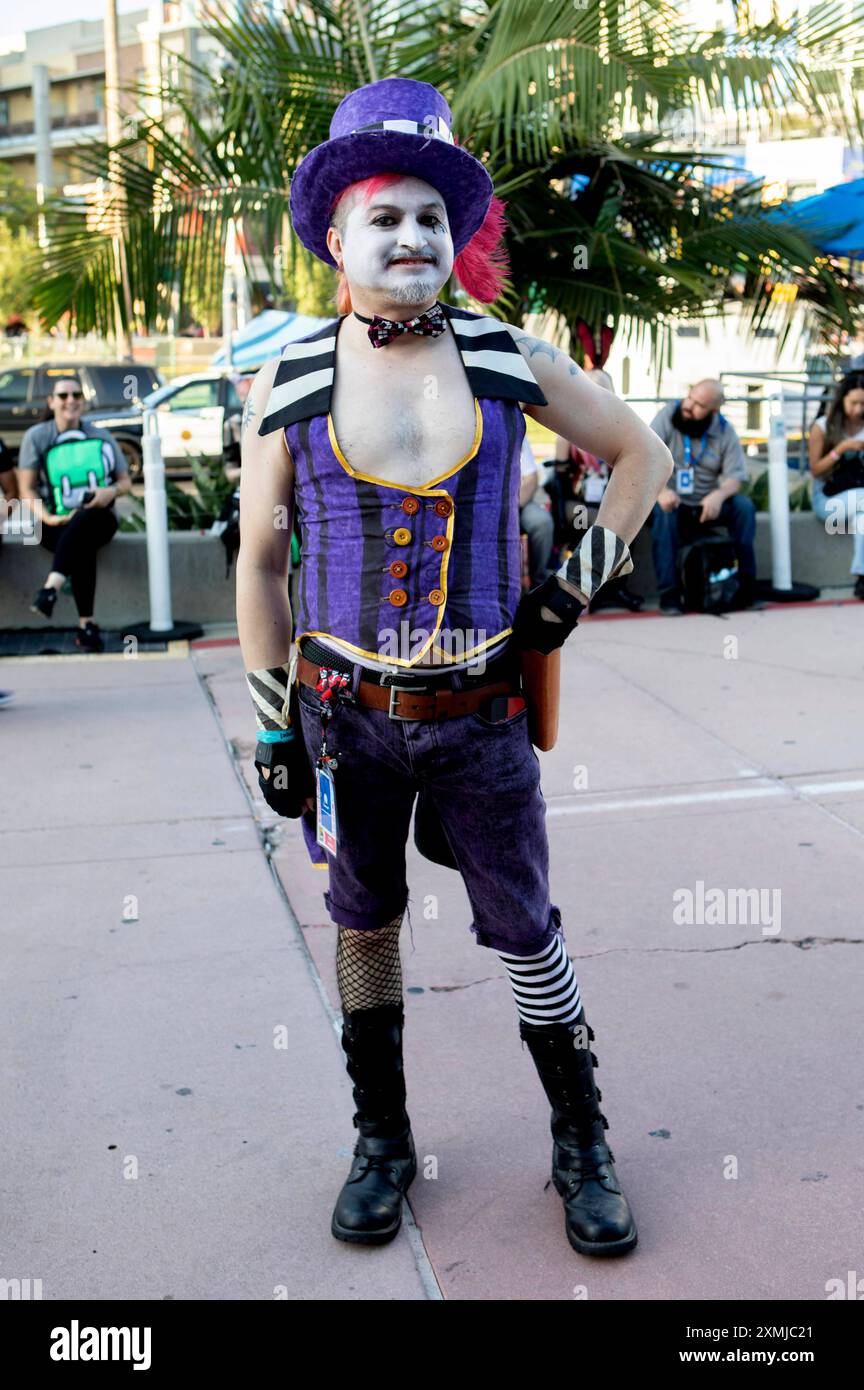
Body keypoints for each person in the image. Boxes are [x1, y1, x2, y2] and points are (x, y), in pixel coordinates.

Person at [236, 77, 672, 1258]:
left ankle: (580, 1138)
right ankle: (383, 1141)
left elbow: (644, 452)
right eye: (386, 216)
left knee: (527, 929)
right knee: (363, 922)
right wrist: (274, 726)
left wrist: (566, 595)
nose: (413, 235)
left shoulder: (505, 355)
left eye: (433, 215)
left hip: (482, 709)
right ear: (337, 234)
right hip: (343, 718)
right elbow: (261, 566)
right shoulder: (289, 377)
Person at [17, 376, 132, 652]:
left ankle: (51, 588)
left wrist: (110, 492)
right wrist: (48, 517)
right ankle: (86, 626)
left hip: (99, 517)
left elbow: (125, 482)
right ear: (51, 402)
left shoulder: (100, 436)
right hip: (52, 522)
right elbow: (26, 490)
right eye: (64, 395)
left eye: (76, 395)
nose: (71, 400)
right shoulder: (37, 437)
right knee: (82, 542)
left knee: (86, 519)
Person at [649, 379, 757, 614]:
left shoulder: (724, 431)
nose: (688, 406)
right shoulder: (668, 415)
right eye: (690, 397)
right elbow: (644, 457)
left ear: (713, 411)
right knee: (662, 514)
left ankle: (745, 588)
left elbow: (735, 477)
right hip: (672, 501)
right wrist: (661, 491)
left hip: (707, 505)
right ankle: (669, 595)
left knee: (744, 507)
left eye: (698, 405)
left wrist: (718, 495)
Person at [555, 369, 643, 612]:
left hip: (610, 498)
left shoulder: (621, 428)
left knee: (627, 518)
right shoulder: (566, 425)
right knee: (607, 523)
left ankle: (613, 590)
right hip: (578, 503)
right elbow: (560, 480)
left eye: (603, 390)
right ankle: (593, 591)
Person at [808, 373, 864, 598]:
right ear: (841, 400)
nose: (859, 409)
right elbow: (815, 470)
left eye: (863, 403)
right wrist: (841, 449)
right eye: (854, 403)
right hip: (829, 500)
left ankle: (861, 577)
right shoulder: (822, 427)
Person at [518, 433, 554, 587]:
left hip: (518, 501)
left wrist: (513, 507)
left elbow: (531, 477)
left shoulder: (517, 430)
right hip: (483, 504)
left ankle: (538, 582)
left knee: (542, 521)